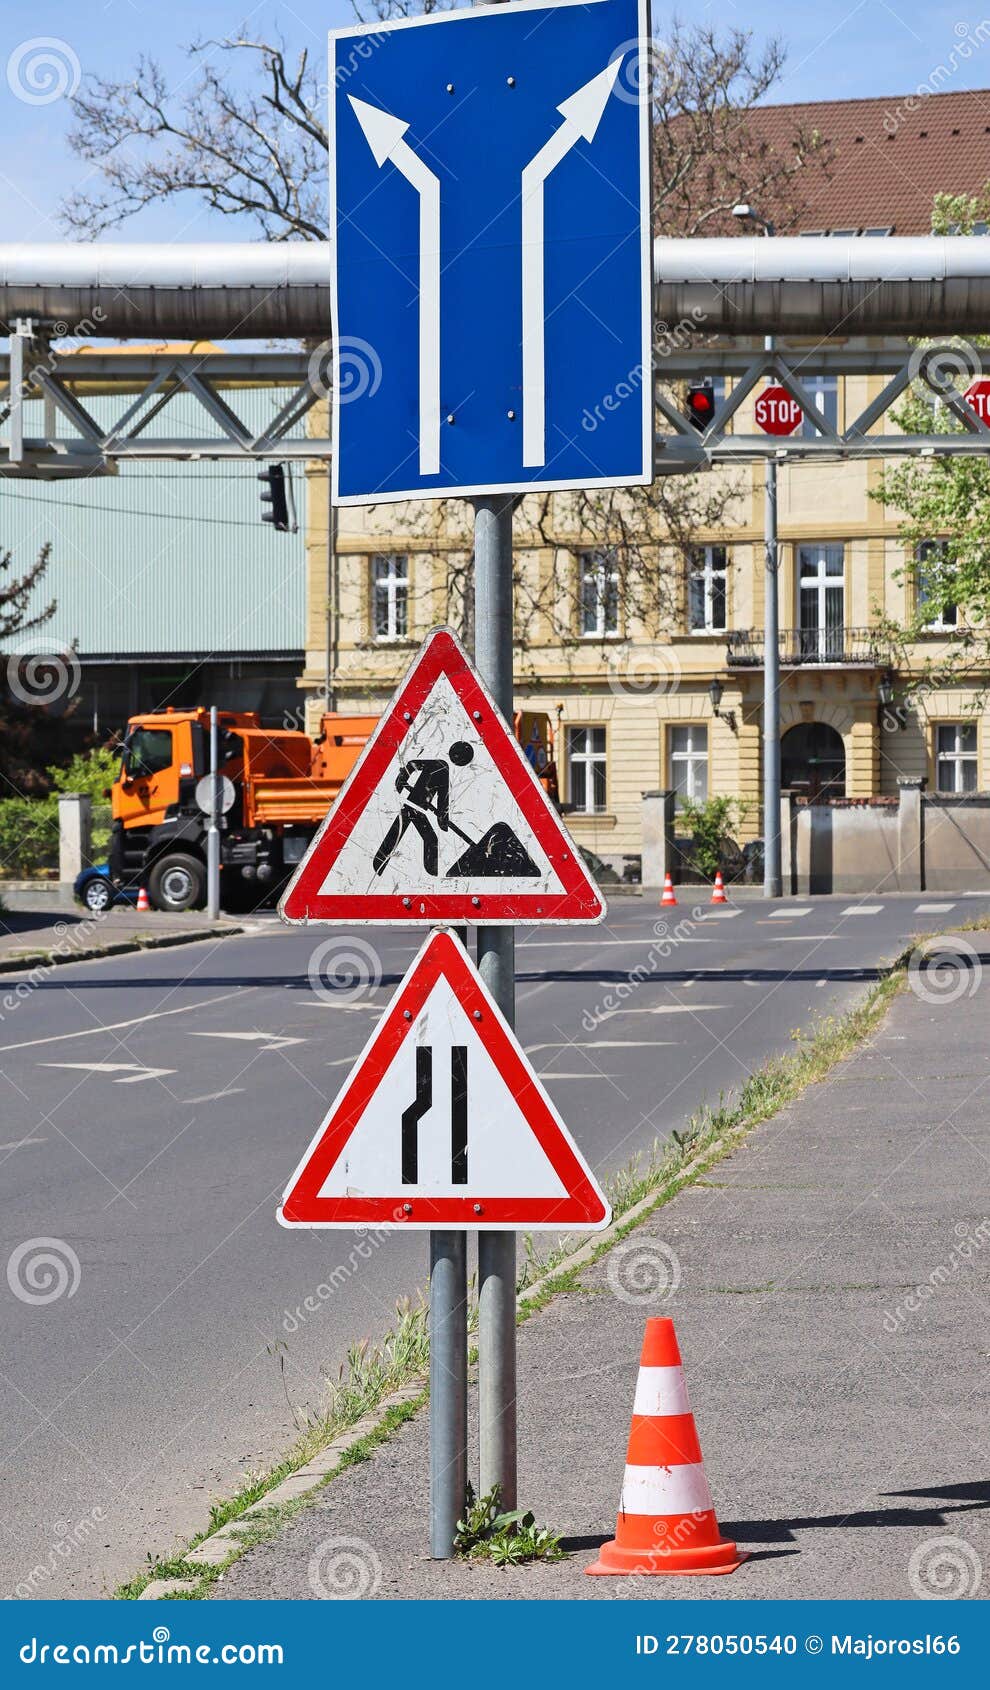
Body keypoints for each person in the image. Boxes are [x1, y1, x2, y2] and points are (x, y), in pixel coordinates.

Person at [373, 742, 474, 876]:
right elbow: (412, 765)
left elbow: (443, 798)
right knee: (415, 836)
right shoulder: (438, 764)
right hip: (412, 806)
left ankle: (432, 875)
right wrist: (401, 780)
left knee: (423, 838)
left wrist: (442, 817)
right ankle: (378, 866)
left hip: (419, 809)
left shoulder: (444, 769)